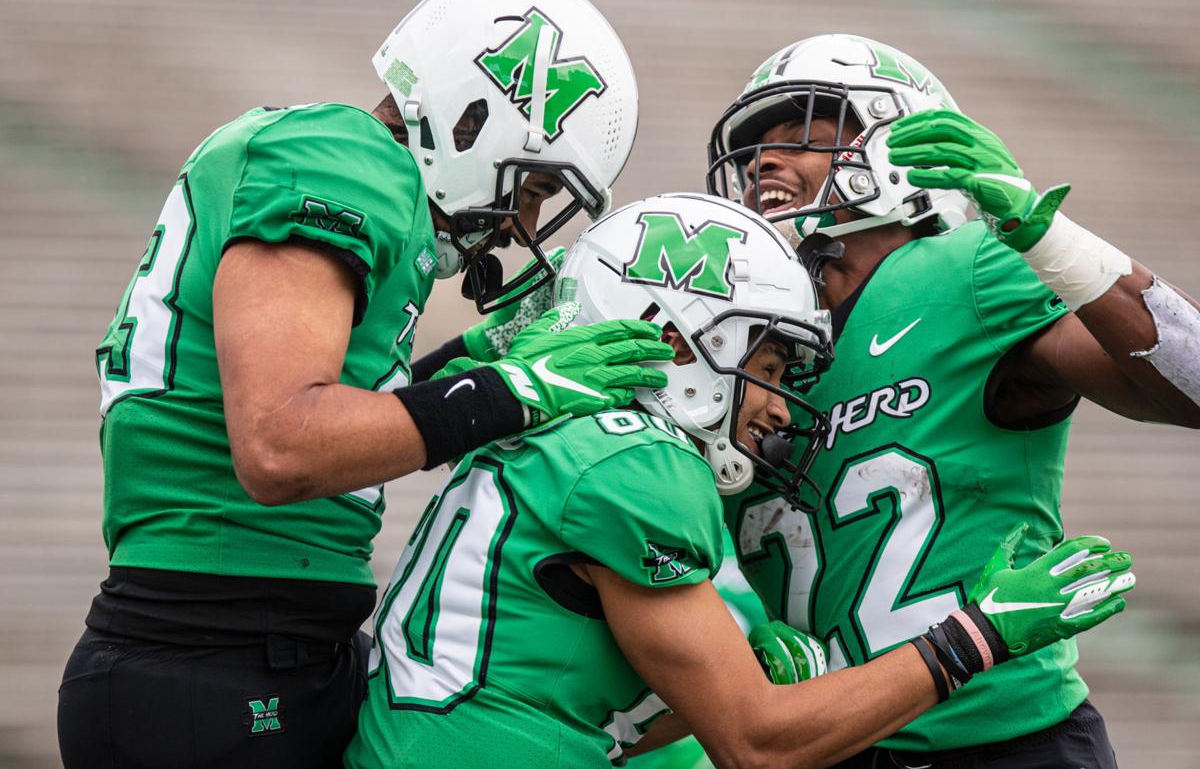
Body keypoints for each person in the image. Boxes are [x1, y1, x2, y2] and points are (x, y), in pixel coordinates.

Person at [56, 0, 672, 768]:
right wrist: (513, 392)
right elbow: (282, 441)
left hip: (236, 650)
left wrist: (471, 363)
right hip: (218, 658)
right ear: (475, 117)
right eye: (537, 186)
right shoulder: (347, 162)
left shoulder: (354, 175)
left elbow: (331, 403)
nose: (522, 222)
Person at [343, 192, 1134, 768]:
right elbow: (760, 743)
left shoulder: (555, 426)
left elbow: (568, 693)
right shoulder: (639, 464)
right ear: (681, 344)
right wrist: (978, 634)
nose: (780, 405)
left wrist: (744, 669)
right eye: (767, 364)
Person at [707, 33, 1200, 767]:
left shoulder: (961, 268)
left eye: (803, 133)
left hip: (1004, 744)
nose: (764, 164)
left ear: (896, 151)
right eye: (755, 152)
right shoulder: (736, 345)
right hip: (827, 741)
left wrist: (1047, 236)